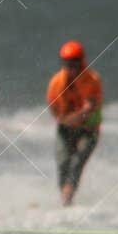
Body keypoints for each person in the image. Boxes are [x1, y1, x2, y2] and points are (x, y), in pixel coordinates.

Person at [46, 40, 103, 206]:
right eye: (67, 64)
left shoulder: (92, 80)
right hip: (65, 129)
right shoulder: (56, 82)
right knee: (62, 163)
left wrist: (72, 119)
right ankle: (65, 200)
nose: (71, 68)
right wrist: (64, 120)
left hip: (89, 130)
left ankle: (68, 198)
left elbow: (89, 108)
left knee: (77, 162)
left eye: (75, 64)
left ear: (81, 62)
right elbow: (53, 109)